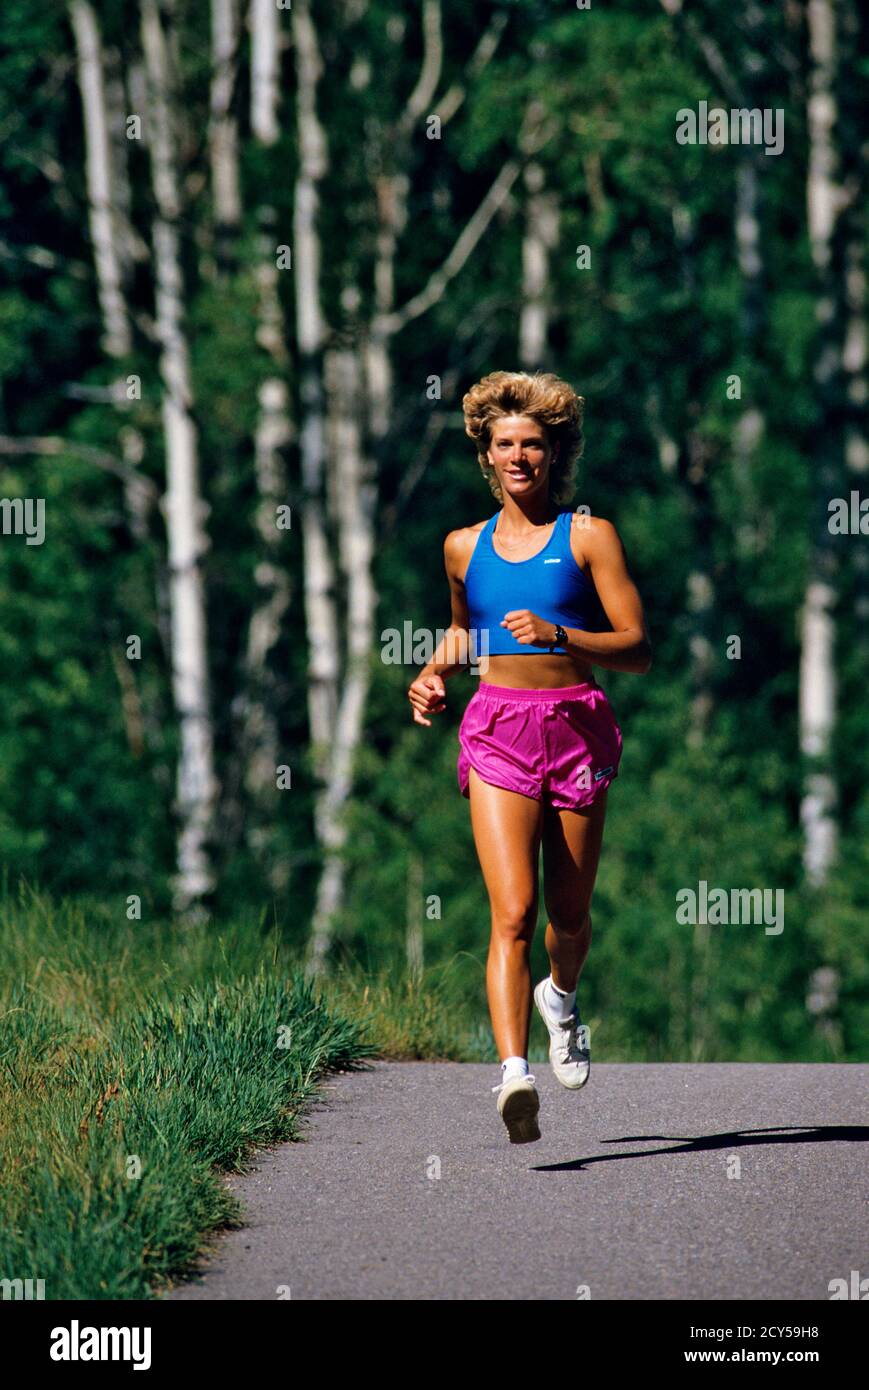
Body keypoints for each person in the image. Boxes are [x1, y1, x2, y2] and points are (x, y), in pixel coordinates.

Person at [407, 370, 651, 1143]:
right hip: (497, 733)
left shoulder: (588, 536)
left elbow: (637, 649)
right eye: (505, 444)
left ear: (555, 455)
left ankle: (561, 1000)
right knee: (510, 912)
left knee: (567, 916)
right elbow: (466, 627)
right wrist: (433, 670)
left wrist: (562, 638)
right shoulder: (461, 546)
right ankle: (513, 1075)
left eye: (533, 445)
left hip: (575, 727)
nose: (519, 458)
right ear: (485, 453)